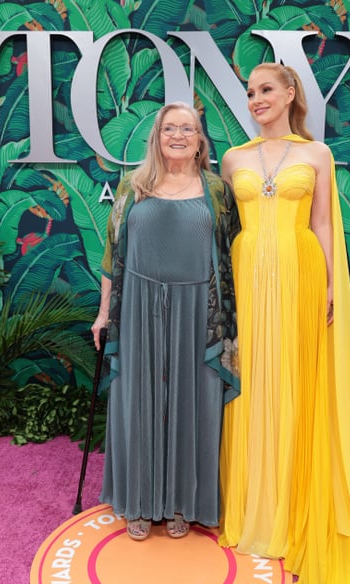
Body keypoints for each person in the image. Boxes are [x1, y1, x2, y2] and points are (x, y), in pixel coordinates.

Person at [217, 63, 350, 584]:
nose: (255, 99)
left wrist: (328, 289)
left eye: (265, 89)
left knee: (296, 386)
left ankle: (293, 503)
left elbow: (322, 226)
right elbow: (223, 234)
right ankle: (254, 507)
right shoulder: (233, 160)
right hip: (248, 280)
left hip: (300, 279)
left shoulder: (318, 157)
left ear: (291, 93)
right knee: (252, 386)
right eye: (249, 92)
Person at [91, 102, 240, 542]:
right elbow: (110, 256)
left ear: (200, 140)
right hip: (138, 305)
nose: (178, 135)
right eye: (169, 128)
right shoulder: (132, 186)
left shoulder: (217, 190)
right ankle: (137, 500)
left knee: (194, 402)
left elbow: (232, 255)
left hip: (199, 311)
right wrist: (104, 314)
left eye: (187, 128)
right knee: (138, 400)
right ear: (156, 138)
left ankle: (183, 502)